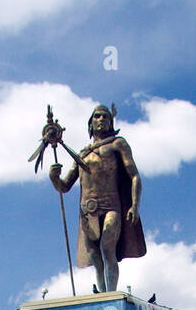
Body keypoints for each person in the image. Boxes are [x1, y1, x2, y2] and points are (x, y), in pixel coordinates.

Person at [48, 104, 146, 293]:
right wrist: (54, 178)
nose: (101, 120)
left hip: (111, 204)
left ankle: (110, 295)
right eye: (97, 117)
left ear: (110, 122)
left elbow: (134, 175)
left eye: (105, 117)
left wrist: (134, 205)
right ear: (90, 124)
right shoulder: (82, 154)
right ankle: (102, 296)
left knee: (107, 248)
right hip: (88, 210)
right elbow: (65, 186)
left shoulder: (118, 144)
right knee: (95, 257)